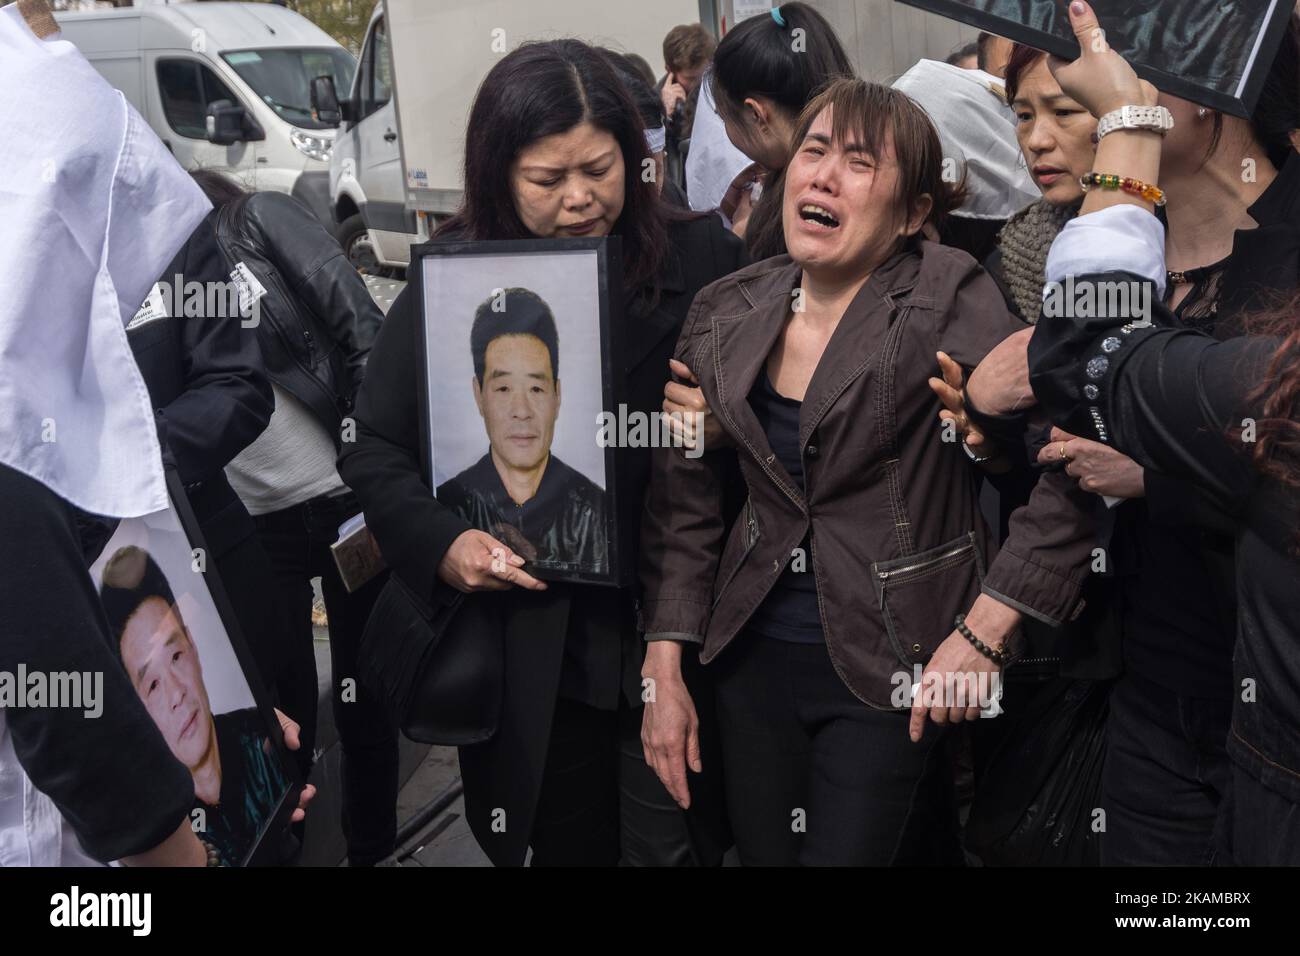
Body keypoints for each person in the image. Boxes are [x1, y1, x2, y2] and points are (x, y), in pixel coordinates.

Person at [638, 77, 1096, 865]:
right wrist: (663, 664)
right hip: (749, 663)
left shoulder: (947, 292)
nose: (821, 175)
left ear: (915, 211)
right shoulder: (727, 307)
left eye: (859, 163)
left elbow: (1073, 460)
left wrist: (989, 628)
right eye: (813, 152)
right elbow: (683, 509)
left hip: (893, 662)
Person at [338, 38, 746, 867]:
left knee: (676, 843)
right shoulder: (452, 280)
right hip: (529, 644)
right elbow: (374, 444)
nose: (579, 199)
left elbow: (778, 436)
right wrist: (444, 546)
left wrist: (723, 423)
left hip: (673, 630)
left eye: (598, 169)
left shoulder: (705, 259)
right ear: (498, 173)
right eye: (546, 180)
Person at [952, 13, 1300, 865]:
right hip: (1148, 684)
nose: (1086, 91)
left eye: (1122, 76)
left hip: (1267, 701)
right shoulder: (1099, 240)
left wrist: (1164, 475)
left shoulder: (1283, 252)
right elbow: (1064, 453)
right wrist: (995, 433)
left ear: (1216, 93)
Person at [0, 1, 310, 866]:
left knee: (258, 781)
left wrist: (120, 465)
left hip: (190, 551)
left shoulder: (175, 241)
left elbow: (238, 381)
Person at [194, 169, 399, 867]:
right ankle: (291, 851)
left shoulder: (256, 221)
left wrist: (368, 465)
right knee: (278, 709)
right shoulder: (137, 287)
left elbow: (364, 332)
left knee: (365, 694)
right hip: (253, 528)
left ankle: (372, 850)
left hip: (345, 503)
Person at [100, 546, 291, 867]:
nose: (176, 694)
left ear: (192, 646)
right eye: (153, 684)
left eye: (176, 656)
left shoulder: (259, 741)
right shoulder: (155, 822)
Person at [436, 288, 608, 575]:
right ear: (479, 395)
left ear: (557, 396)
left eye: (536, 388)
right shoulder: (448, 506)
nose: (522, 411)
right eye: (503, 388)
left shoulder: (596, 513)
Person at [710, 2, 855, 258]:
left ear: (757, 114)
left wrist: (737, 244)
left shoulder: (795, 221)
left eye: (724, 118)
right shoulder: (866, 172)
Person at [659, 23, 716, 189]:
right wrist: (664, 113)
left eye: (702, 75)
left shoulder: (717, 92)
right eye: (690, 79)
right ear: (669, 70)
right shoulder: (654, 101)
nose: (698, 84)